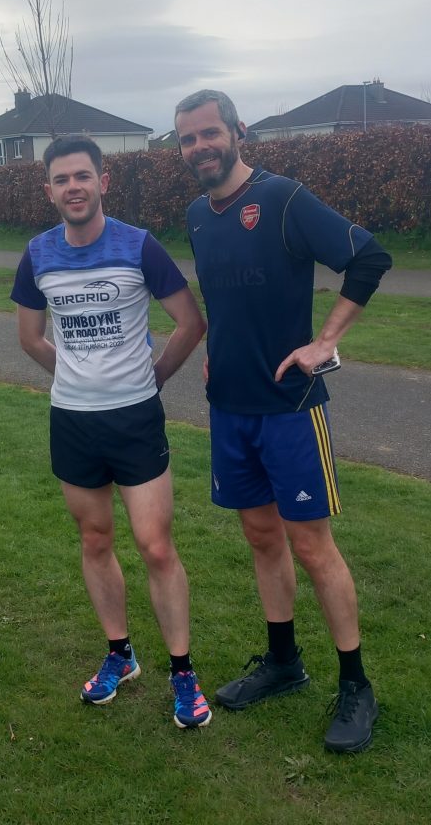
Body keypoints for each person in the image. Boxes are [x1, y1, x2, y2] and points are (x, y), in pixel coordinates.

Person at [174, 89, 392, 753]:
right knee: (261, 538)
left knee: (312, 546)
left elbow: (368, 257)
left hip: (291, 409)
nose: (200, 147)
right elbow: (225, 298)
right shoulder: (197, 215)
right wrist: (216, 354)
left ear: (238, 131)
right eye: (187, 139)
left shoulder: (284, 198)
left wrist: (324, 342)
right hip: (229, 408)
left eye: (209, 133)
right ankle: (283, 662)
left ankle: (356, 685)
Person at [11, 133, 212, 729]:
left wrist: (153, 376)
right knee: (95, 540)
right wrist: (77, 378)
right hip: (73, 422)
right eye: (61, 179)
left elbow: (190, 322)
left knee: (155, 545)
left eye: (82, 176)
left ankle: (183, 672)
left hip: (134, 419)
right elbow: (29, 338)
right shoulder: (37, 253)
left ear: (103, 181)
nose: (73, 187)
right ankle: (120, 655)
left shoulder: (138, 245)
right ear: (48, 190)